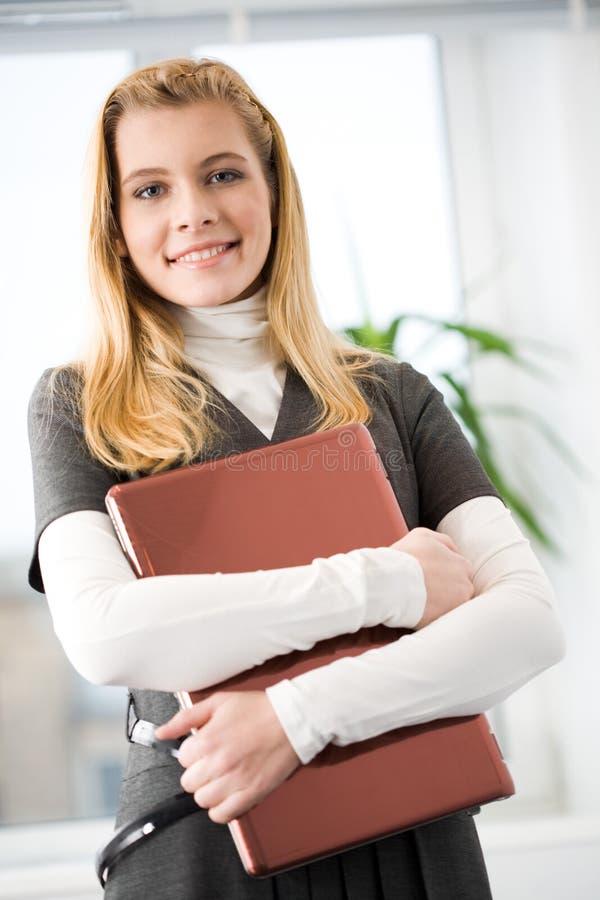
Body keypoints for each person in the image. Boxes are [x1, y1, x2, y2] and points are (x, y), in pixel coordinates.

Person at [27, 57, 565, 899]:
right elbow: (107, 634)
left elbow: (528, 624)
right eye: (151, 189)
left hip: (414, 840)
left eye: (223, 173)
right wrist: (390, 583)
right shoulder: (81, 404)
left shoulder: (393, 395)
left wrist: (297, 717)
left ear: (274, 192)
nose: (194, 211)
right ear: (116, 225)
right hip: (203, 846)